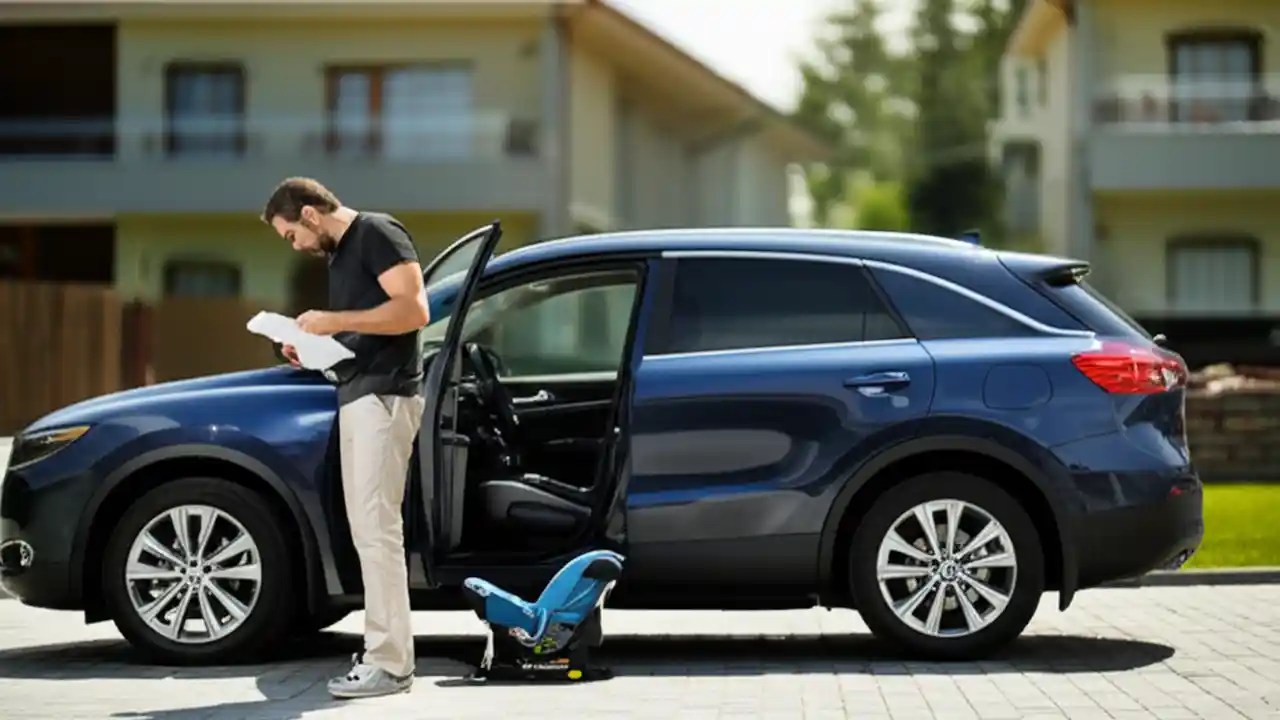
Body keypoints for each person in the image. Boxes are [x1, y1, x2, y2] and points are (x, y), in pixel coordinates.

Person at [261, 177, 429, 698]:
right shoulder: (342, 257)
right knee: (370, 531)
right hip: (359, 395)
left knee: (377, 530)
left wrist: (334, 320)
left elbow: (415, 310)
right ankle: (386, 654)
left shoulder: (377, 231)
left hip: (385, 398)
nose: (296, 247)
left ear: (310, 215)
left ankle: (390, 663)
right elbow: (373, 327)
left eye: (291, 236)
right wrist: (315, 345)